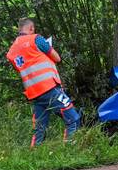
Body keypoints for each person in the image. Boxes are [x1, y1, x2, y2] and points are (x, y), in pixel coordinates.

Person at [6, 17, 81, 146]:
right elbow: (57, 58)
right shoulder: (36, 39)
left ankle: (35, 156)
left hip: (35, 94)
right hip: (49, 88)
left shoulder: (11, 52)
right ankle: (70, 150)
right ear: (31, 28)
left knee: (39, 130)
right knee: (73, 118)